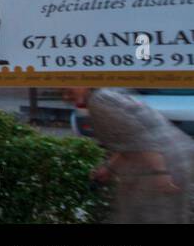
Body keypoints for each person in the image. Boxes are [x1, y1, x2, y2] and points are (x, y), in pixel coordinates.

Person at [65, 87, 194, 223]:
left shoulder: (100, 102)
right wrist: (109, 168)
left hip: (158, 168)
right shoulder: (108, 94)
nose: (65, 97)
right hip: (170, 159)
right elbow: (129, 141)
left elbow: (142, 139)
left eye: (68, 90)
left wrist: (160, 173)